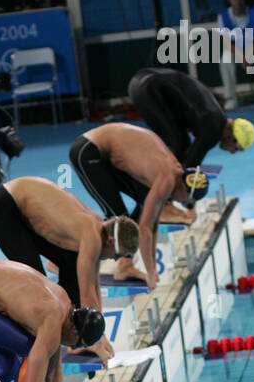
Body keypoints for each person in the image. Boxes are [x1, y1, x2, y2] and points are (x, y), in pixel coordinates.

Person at [0, 176, 141, 357]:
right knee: (36, 284)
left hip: (22, 208)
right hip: (4, 208)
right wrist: (93, 339)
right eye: (118, 255)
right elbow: (86, 293)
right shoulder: (92, 237)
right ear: (111, 241)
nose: (114, 260)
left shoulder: (99, 228)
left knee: (71, 265)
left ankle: (67, 331)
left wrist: (99, 333)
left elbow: (94, 283)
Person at [69, 122, 210, 289]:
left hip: (107, 154)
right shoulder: (166, 179)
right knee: (117, 217)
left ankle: (125, 265)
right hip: (87, 150)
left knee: (144, 202)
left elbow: (153, 224)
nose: (184, 203)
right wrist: (150, 271)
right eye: (187, 201)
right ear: (184, 190)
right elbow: (144, 229)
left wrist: (153, 268)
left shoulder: (175, 173)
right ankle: (69, 252)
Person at [127, 67, 254, 164]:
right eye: (237, 148)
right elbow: (190, 165)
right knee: (178, 144)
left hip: (143, 80)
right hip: (146, 88)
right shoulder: (213, 131)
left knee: (181, 143)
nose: (233, 152)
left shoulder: (217, 116)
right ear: (232, 136)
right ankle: (150, 188)